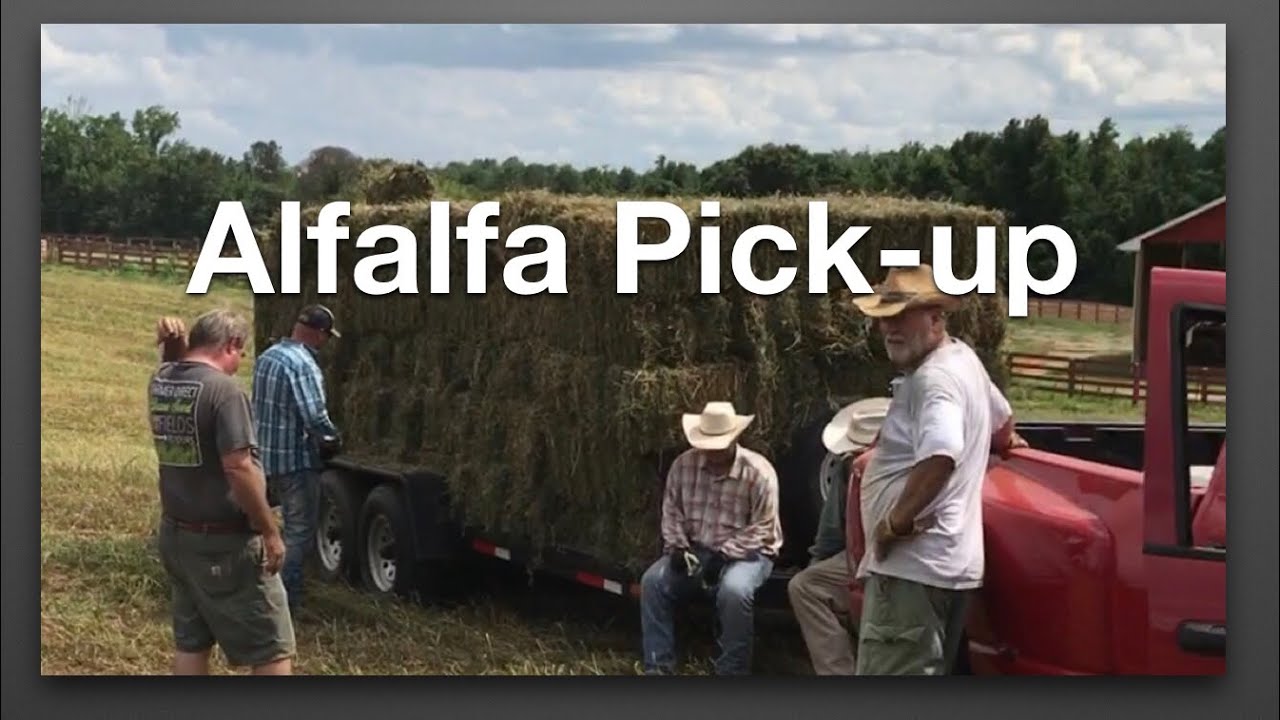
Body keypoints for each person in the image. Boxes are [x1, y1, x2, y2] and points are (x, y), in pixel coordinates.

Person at [848, 264, 1026, 676]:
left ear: (936, 317)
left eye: (901, 316)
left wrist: (894, 523)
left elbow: (941, 454)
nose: (889, 328)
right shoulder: (964, 360)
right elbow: (1003, 423)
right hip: (947, 565)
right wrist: (1004, 444)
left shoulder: (934, 379)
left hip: (913, 568)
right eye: (883, 318)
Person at [148, 311, 294, 675]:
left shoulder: (162, 380)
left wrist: (173, 346)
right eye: (240, 354)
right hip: (224, 542)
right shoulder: (225, 392)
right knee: (272, 648)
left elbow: (181, 377)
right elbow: (238, 467)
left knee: (192, 642)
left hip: (178, 534)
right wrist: (269, 531)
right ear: (231, 345)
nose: (238, 364)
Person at [639, 401, 783, 676]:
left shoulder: (758, 472)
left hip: (749, 554)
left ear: (733, 439)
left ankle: (732, 670)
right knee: (652, 583)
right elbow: (671, 510)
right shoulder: (684, 465)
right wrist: (678, 547)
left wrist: (727, 553)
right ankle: (658, 666)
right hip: (697, 548)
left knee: (734, 591)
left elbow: (764, 527)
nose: (711, 451)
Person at [786, 396, 890, 675]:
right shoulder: (846, 471)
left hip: (899, 560)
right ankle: (839, 673)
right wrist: (816, 566)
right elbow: (830, 532)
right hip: (857, 556)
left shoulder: (909, 472)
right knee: (805, 587)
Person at [251, 304, 344, 612]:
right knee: (298, 532)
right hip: (295, 463)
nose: (326, 343)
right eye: (326, 337)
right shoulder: (302, 364)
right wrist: (334, 439)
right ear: (318, 334)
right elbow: (314, 416)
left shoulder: (268, 356)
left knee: (257, 522)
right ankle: (284, 598)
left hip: (265, 459)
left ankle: (251, 583)